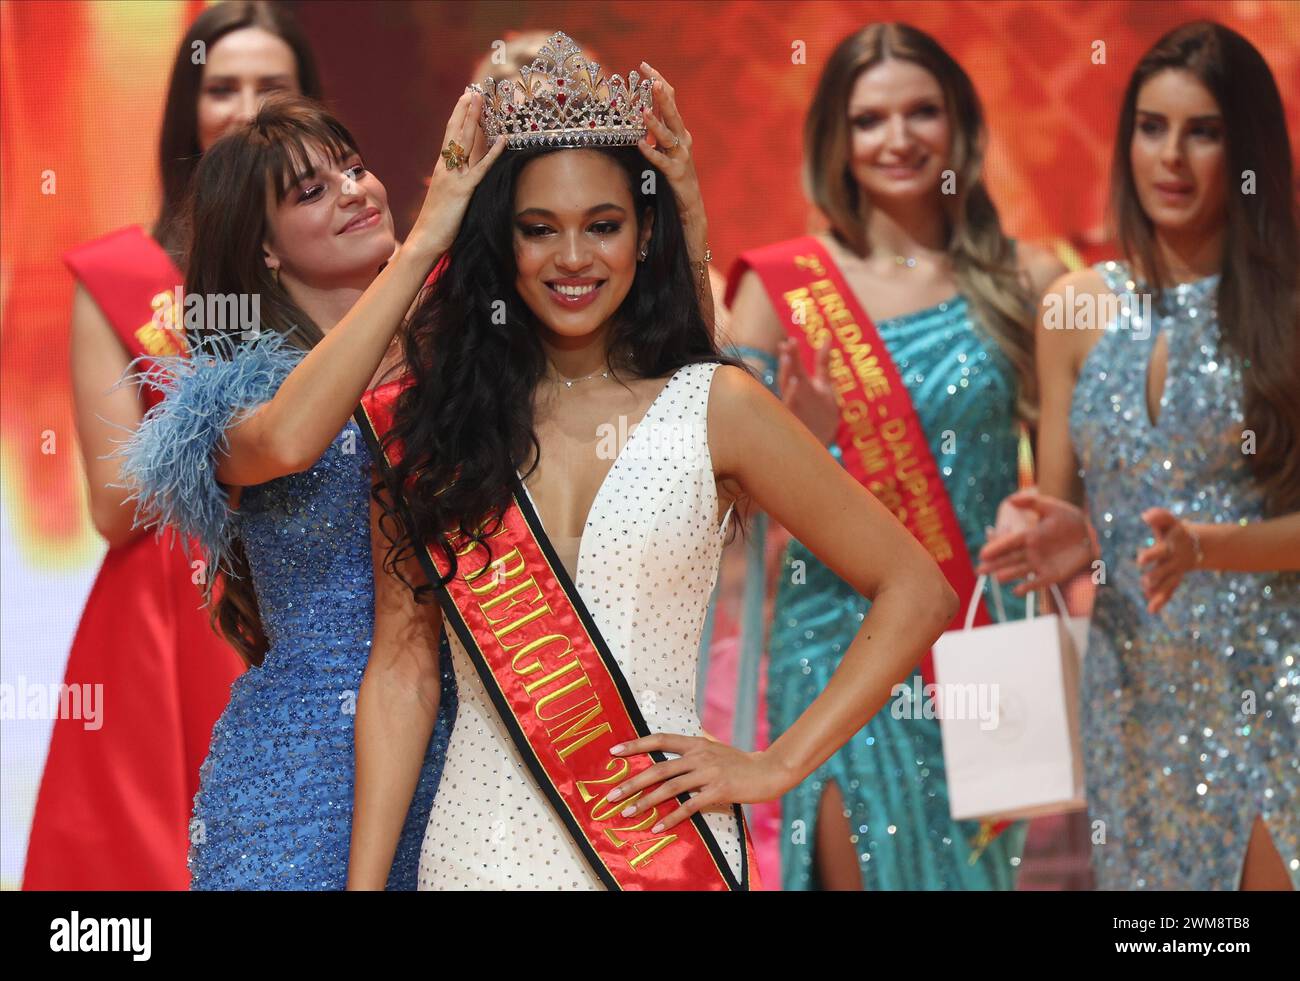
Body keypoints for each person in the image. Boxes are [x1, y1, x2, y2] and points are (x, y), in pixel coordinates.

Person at [345, 30, 958, 891]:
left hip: (661, 858)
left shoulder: (719, 408)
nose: (572, 258)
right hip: (470, 855)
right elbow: (402, 671)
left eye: (603, 225)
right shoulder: (435, 423)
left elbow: (918, 588)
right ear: (501, 245)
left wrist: (774, 765)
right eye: (538, 229)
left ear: (643, 236)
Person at [116, 92, 503, 888]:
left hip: (470, 767)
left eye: (354, 168)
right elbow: (293, 440)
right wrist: (428, 235)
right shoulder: (226, 397)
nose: (356, 189)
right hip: (298, 788)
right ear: (263, 249)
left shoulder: (458, 370)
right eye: (312, 190)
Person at [723, 22, 1063, 890]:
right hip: (838, 637)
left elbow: (1080, 477)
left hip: (980, 640)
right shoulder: (777, 287)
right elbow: (724, 519)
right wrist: (793, 447)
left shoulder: (1031, 282)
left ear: (960, 129)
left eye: (923, 113)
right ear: (836, 138)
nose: (900, 138)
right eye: (870, 119)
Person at [980, 21, 1299, 890]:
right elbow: (1063, 517)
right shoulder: (1075, 309)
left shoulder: (1290, 306)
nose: (1172, 156)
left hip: (1273, 680)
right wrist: (1062, 540)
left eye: (1203, 132)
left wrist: (1210, 547)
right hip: (1133, 692)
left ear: (1246, 151)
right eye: (1152, 128)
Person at [25, 1, 318, 890]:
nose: (245, 107)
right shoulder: (121, 277)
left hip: (317, 590)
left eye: (272, 85)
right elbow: (117, 508)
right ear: (187, 109)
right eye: (221, 87)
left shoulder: (350, 276)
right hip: (169, 614)